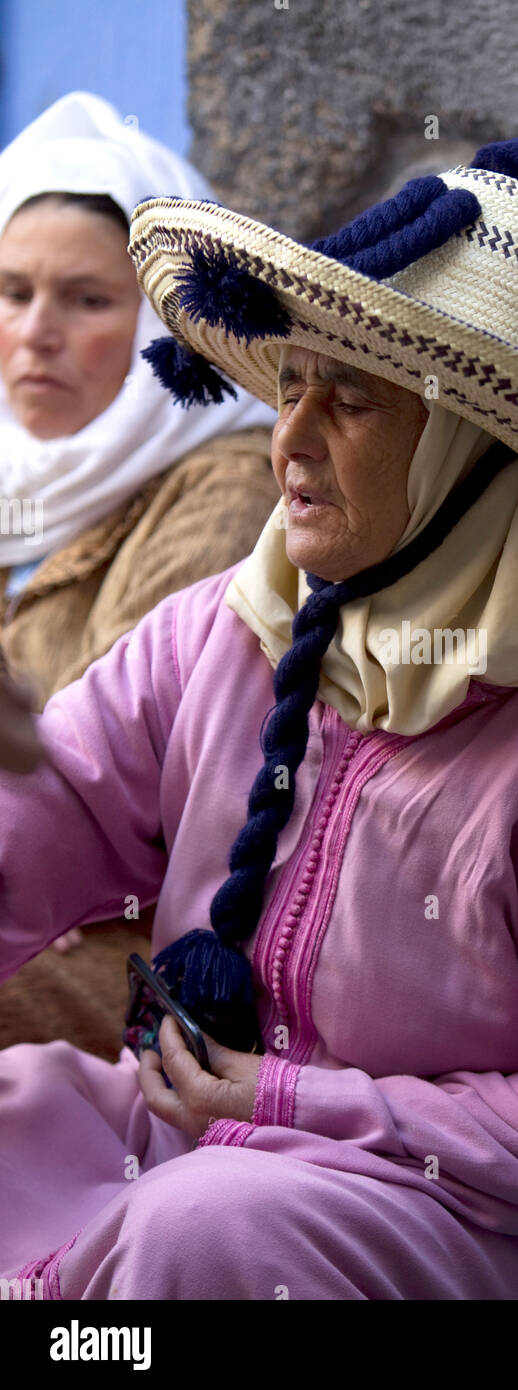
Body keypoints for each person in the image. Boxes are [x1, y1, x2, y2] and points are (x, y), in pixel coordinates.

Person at [0, 137, 518, 1300]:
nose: (290, 440)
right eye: (292, 384)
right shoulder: (223, 635)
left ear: (477, 458)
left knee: (206, 1232)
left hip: (514, 1231)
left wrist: (283, 1100)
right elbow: (36, 818)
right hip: (205, 1147)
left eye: (350, 399)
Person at [0, 93, 279, 1047]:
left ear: (166, 323)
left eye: (86, 300)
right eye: (12, 292)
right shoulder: (15, 470)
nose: (35, 333)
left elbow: (102, 772)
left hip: (109, 948)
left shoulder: (226, 486)